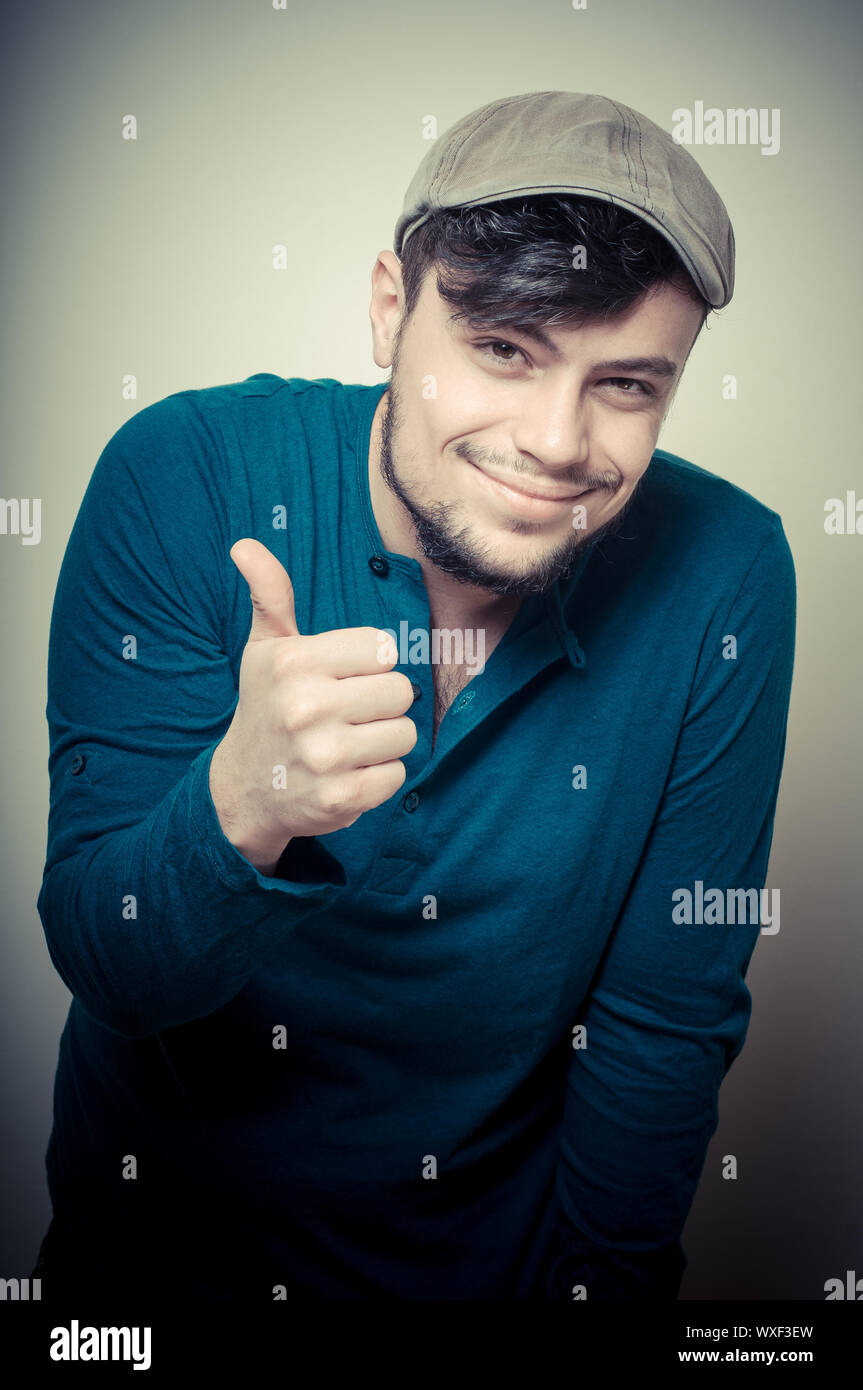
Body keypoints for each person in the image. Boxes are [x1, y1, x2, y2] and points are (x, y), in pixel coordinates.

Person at [34, 90, 795, 1302]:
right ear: (391, 306)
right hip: (152, 1282)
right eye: (501, 349)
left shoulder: (725, 569)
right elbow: (109, 961)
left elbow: (661, 1025)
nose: (556, 443)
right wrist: (238, 808)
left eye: (627, 385)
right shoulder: (183, 471)